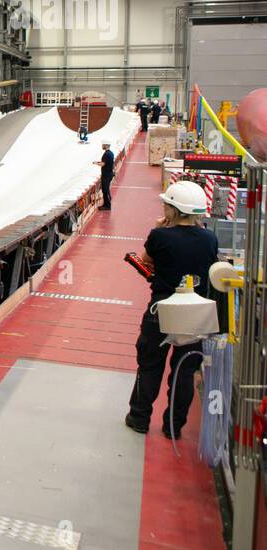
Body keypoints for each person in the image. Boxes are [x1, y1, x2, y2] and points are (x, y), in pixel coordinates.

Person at [124, 181, 219, 440]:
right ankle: (174, 427)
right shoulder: (210, 238)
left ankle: (140, 417)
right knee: (185, 369)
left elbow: (144, 262)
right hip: (195, 314)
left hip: (162, 309)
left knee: (150, 365)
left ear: (174, 209)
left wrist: (156, 230)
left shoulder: (160, 236)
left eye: (167, 204)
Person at [96, 142, 114, 210]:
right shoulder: (111, 153)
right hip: (109, 174)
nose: (102, 146)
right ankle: (107, 202)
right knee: (106, 189)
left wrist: (96, 163)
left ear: (106, 145)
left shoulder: (106, 154)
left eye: (103, 145)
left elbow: (103, 164)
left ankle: (107, 205)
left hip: (106, 175)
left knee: (105, 190)